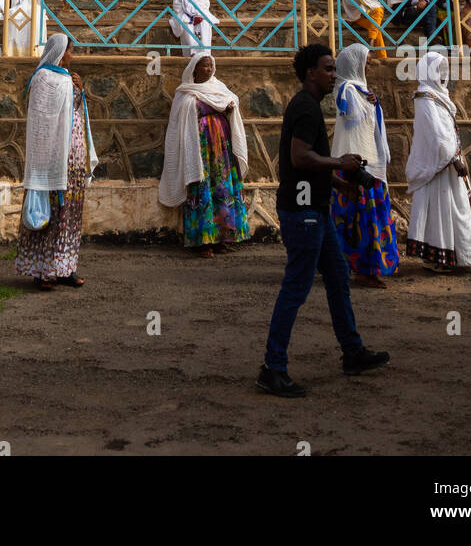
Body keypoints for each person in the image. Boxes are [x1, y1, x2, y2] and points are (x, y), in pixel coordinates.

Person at [258, 43, 391, 397]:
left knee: (336, 279)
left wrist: (336, 184)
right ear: (309, 73)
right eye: (328, 70)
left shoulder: (309, 106)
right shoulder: (305, 108)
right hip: (303, 213)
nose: (334, 75)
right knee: (296, 288)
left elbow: (305, 163)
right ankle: (273, 367)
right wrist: (341, 164)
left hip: (315, 206)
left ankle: (352, 352)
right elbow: (300, 158)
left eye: (335, 69)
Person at [405, 52, 471, 271]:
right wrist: (452, 158)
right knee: (446, 210)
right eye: (438, 70)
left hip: (447, 161)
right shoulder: (425, 98)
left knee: (456, 209)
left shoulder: (438, 96)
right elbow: (435, 134)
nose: (443, 74)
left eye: (444, 69)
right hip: (441, 164)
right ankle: (447, 258)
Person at [15, 34, 97, 290]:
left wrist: (80, 91)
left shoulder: (68, 79)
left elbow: (75, 112)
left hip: (72, 156)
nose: (72, 56)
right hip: (49, 157)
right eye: (71, 51)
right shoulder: (42, 79)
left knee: (69, 213)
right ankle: (42, 270)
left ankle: (65, 266)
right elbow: (41, 119)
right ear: (62, 52)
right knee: (49, 213)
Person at [158, 51, 249, 255]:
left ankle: (221, 237)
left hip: (221, 148)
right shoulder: (185, 94)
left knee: (222, 189)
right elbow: (178, 124)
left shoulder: (219, 88)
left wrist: (230, 106)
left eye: (210, 65)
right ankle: (203, 240)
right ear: (195, 69)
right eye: (204, 65)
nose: (208, 69)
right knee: (201, 189)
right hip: (199, 148)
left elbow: (231, 103)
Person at [330, 43, 399, 288]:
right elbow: (350, 113)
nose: (370, 65)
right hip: (353, 166)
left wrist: (375, 102)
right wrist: (366, 99)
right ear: (355, 64)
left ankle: (367, 267)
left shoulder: (361, 91)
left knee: (369, 218)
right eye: (366, 61)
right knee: (357, 219)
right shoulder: (347, 89)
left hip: (370, 164)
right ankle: (361, 269)